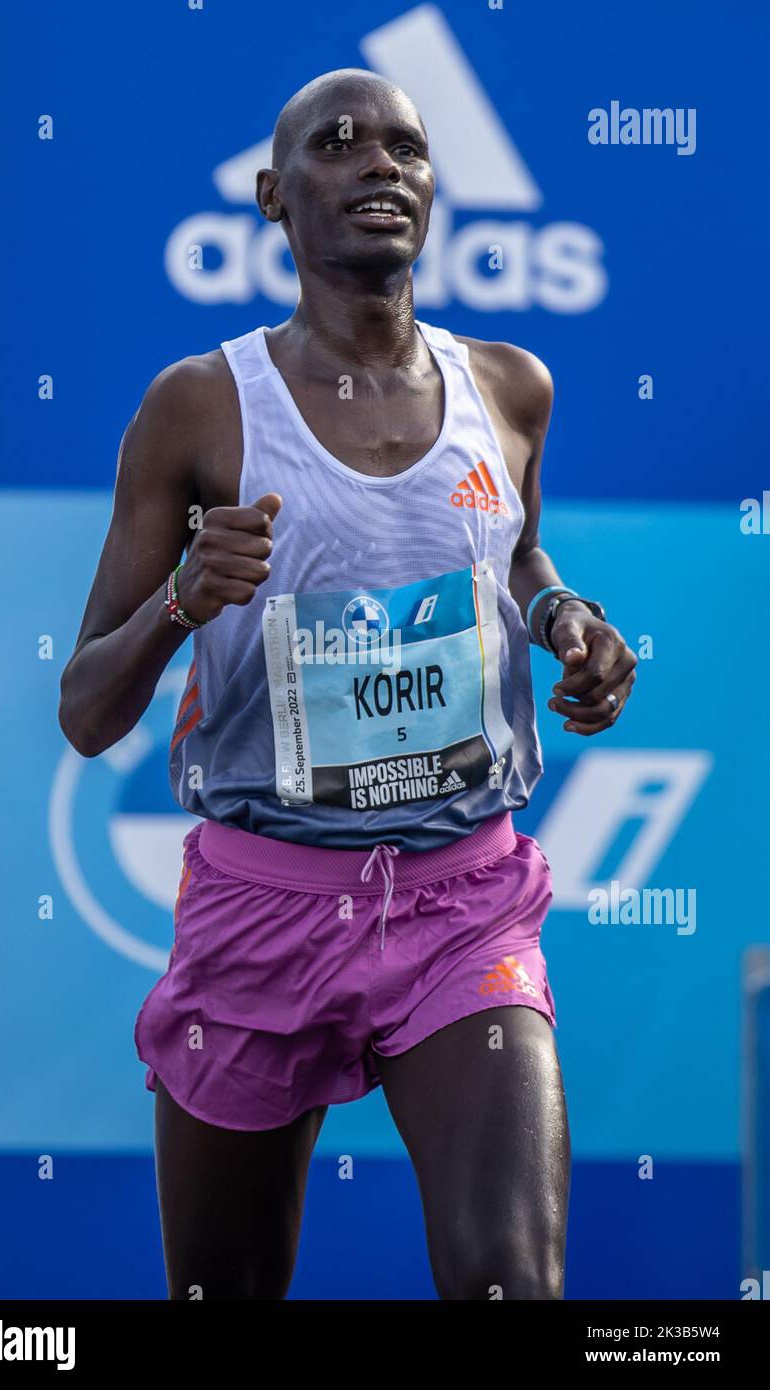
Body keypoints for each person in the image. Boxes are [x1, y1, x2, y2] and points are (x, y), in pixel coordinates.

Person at [59, 68, 637, 1300]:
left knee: (512, 1285)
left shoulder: (510, 388)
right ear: (273, 197)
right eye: (341, 143)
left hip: (460, 900)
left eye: (410, 149)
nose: (384, 166)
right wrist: (181, 601)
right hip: (262, 915)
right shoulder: (201, 408)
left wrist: (565, 615)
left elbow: (514, 551)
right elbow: (86, 708)